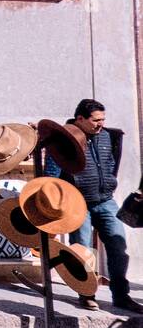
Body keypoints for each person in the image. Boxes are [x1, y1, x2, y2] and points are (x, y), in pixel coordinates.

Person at [51, 99, 140, 313]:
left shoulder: (109, 136)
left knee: (118, 248)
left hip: (105, 201)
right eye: (95, 120)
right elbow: (51, 175)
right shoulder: (65, 139)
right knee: (81, 251)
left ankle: (121, 296)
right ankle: (86, 294)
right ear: (80, 119)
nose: (100, 124)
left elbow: (111, 163)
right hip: (78, 204)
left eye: (103, 119)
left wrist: (108, 182)